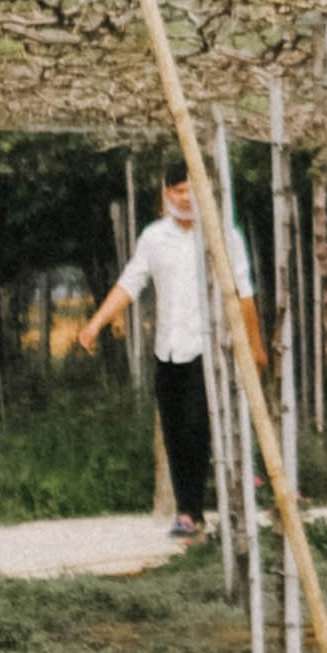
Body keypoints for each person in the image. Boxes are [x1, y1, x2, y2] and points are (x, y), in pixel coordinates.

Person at [74, 169, 236, 536]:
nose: (186, 198)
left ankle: (206, 507)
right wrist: (95, 323)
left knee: (199, 426)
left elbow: (242, 291)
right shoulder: (153, 237)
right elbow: (131, 282)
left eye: (193, 191)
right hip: (168, 349)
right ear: (166, 193)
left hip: (206, 348)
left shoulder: (220, 235)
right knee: (176, 432)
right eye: (179, 190)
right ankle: (188, 511)